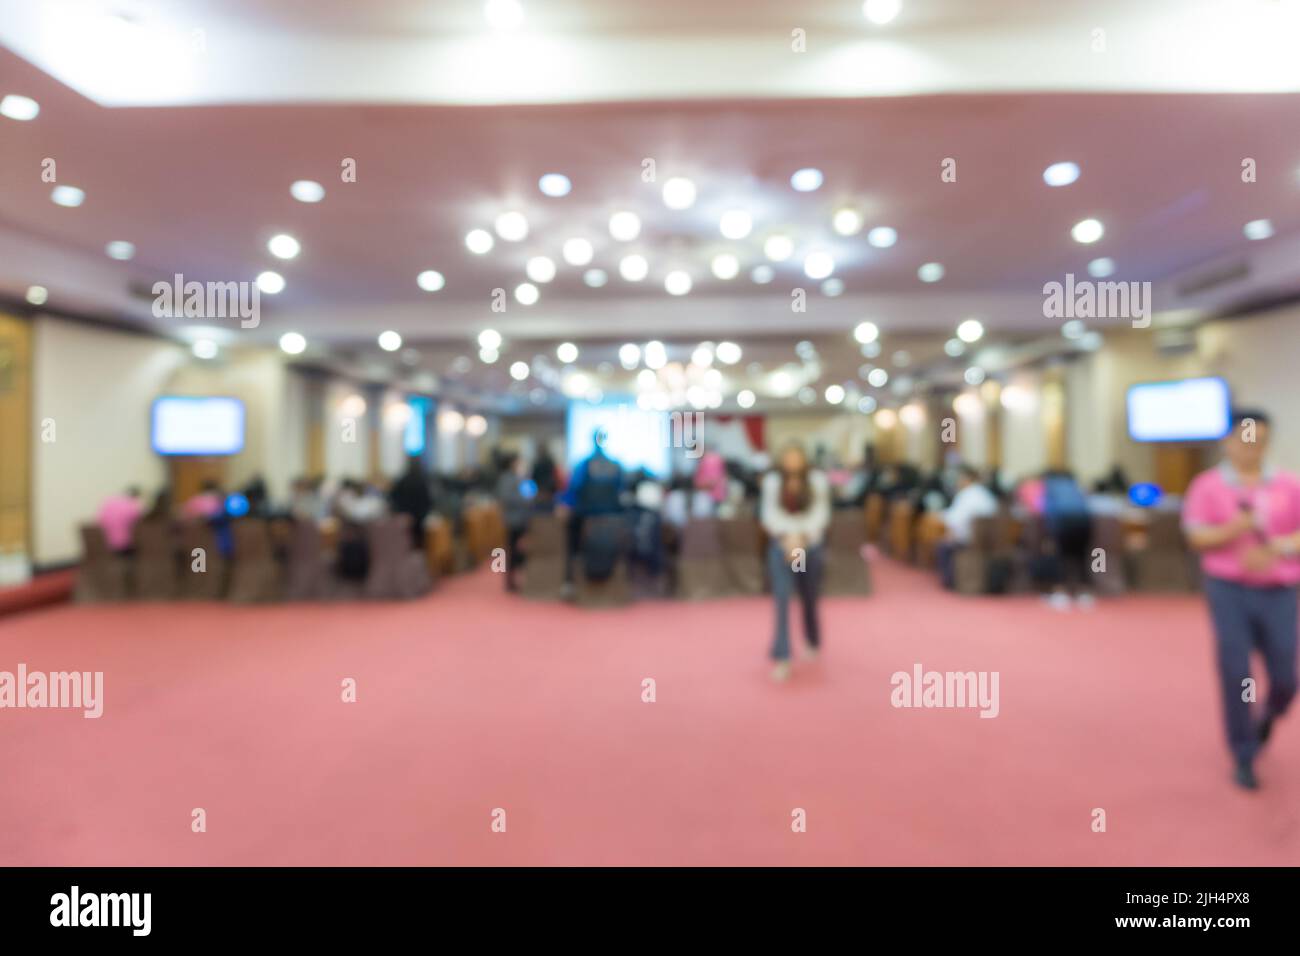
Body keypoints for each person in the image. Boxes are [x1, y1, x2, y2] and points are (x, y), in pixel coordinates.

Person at [1183, 408, 1300, 791]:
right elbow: (1197, 538)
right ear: (1229, 442)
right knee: (1236, 670)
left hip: (1280, 590)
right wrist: (1236, 528)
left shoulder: (1288, 485)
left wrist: (1280, 548)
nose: (1252, 448)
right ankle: (1244, 752)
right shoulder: (1207, 486)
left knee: (1285, 673)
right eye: (1245, 439)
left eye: (1260, 440)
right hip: (1228, 589)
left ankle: (1269, 712)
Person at [760, 441, 831, 682]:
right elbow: (769, 515)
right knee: (781, 599)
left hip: (808, 546)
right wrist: (787, 537)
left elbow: (820, 514)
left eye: (796, 456)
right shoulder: (772, 482)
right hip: (782, 547)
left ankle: (812, 639)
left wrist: (801, 537)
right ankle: (783, 656)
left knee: (809, 596)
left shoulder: (817, 481)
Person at [560, 428, 625, 594]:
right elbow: (621, 491)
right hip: (613, 519)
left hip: (586, 517)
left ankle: (569, 582)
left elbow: (573, 490)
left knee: (570, 541)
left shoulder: (583, 465)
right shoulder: (616, 465)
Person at [935, 464, 1000, 589]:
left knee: (943, 545)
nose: (957, 481)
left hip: (968, 539)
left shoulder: (965, 495)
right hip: (988, 540)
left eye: (959, 478)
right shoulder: (986, 494)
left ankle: (950, 580)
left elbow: (954, 520)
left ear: (966, 479)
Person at [495, 451, 532, 591]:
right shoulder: (506, 479)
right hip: (512, 519)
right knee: (511, 550)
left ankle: (519, 577)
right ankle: (510, 580)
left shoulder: (520, 477)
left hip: (522, 518)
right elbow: (506, 497)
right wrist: (524, 500)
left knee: (520, 550)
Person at [389, 457, 433, 550]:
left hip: (404, 518)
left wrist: (400, 512)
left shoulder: (402, 480)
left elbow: (393, 497)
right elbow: (428, 501)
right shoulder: (423, 481)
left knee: (406, 543)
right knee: (419, 544)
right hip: (419, 518)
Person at [96, 486, 143, 553]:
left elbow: (100, 518)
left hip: (110, 542)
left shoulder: (109, 502)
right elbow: (137, 519)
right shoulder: (132, 504)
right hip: (127, 542)